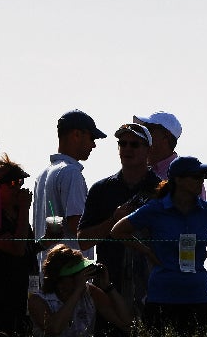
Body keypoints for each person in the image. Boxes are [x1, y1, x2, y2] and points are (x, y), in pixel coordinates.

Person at [111, 155, 207, 334]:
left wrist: (206, 254)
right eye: (196, 176)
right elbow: (117, 231)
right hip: (162, 295)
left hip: (198, 295)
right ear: (178, 180)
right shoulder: (156, 209)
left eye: (203, 176)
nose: (201, 180)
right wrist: (147, 251)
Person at [76, 123, 158, 320]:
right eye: (122, 143)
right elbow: (84, 240)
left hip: (153, 286)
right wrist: (113, 220)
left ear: (148, 150)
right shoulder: (101, 189)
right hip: (110, 286)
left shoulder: (161, 190)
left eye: (134, 144)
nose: (127, 148)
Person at [34, 110, 106, 260]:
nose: (94, 145)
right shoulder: (71, 173)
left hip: (48, 267)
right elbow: (77, 226)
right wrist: (113, 221)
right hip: (70, 269)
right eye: (92, 138)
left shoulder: (42, 175)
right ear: (77, 134)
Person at [27, 245, 131, 337]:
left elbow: (126, 323)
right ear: (60, 279)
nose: (82, 278)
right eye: (77, 274)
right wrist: (77, 290)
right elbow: (54, 329)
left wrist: (108, 287)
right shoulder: (37, 300)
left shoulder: (90, 292)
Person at [0, 156, 33, 337]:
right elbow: (16, 249)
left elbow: (27, 248)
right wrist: (25, 209)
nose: (18, 188)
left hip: (22, 292)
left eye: (20, 182)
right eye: (12, 183)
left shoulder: (16, 213)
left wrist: (46, 242)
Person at [134, 111, 206, 199]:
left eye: (149, 130)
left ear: (165, 137)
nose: (142, 135)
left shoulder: (186, 175)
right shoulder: (138, 171)